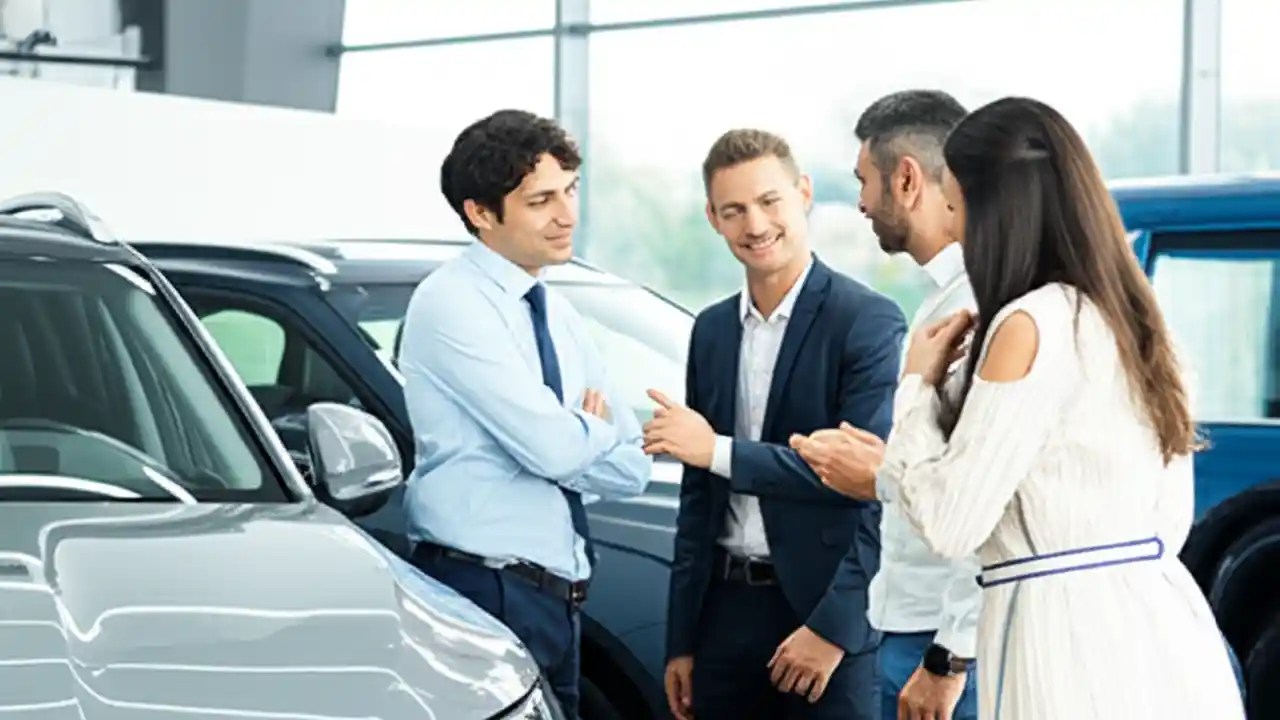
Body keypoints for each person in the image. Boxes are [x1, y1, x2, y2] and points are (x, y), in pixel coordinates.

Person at [798, 96, 1246, 719]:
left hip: (1059, 636)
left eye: (955, 206)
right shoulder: (1132, 317)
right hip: (1155, 619)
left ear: (997, 210)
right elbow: (1167, 511)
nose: (952, 227)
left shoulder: (1027, 325)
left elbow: (953, 523)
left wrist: (917, 388)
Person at [643, 128, 906, 719]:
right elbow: (696, 500)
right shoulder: (710, 330)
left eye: (769, 202)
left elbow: (871, 491)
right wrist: (682, 640)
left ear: (803, 193)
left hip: (821, 616)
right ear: (712, 218)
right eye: (734, 210)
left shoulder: (866, 320)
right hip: (723, 618)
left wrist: (835, 628)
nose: (754, 225)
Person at [397, 109, 651, 718]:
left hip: (556, 602)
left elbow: (632, 466)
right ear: (479, 213)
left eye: (569, 191)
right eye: (541, 200)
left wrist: (571, 433)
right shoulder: (451, 303)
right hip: (485, 592)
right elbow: (558, 451)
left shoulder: (553, 309)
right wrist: (586, 428)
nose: (566, 215)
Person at [850, 89, 981, 720]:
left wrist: (950, 657)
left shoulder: (979, 304)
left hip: (943, 640)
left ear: (905, 180)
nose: (860, 203)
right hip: (914, 623)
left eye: (865, 182)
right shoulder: (942, 299)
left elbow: (986, 502)